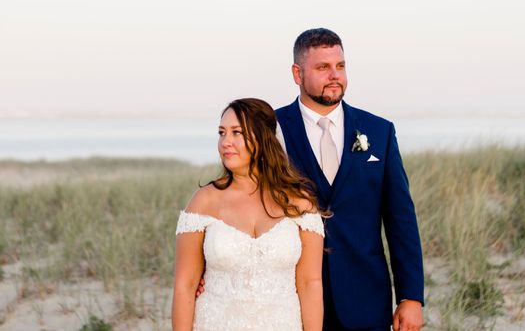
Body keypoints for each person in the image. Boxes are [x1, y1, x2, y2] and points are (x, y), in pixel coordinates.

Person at [275, 28, 424, 331]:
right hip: (290, 300)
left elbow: (400, 219)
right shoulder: (270, 129)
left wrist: (410, 296)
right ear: (297, 73)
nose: (335, 75)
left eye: (340, 66)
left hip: (366, 299)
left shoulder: (379, 131)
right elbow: (244, 207)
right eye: (322, 67)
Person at [172, 98, 326, 331]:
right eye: (222, 133)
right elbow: (185, 285)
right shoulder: (204, 201)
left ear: (263, 138)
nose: (225, 142)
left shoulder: (300, 203)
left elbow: (310, 283)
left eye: (237, 132)